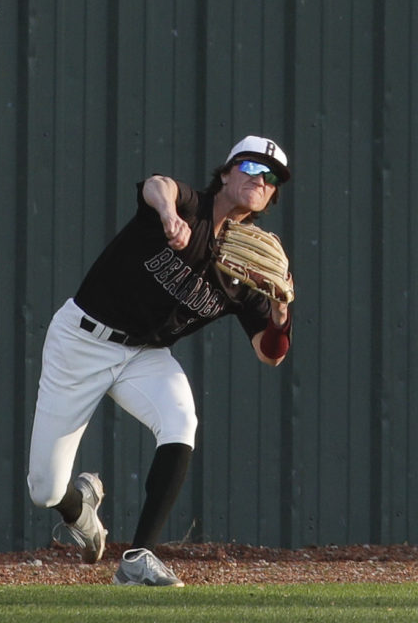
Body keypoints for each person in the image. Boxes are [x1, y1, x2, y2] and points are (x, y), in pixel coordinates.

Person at [26, 134, 295, 587]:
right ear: (226, 173)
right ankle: (80, 507)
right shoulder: (191, 206)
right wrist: (169, 215)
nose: (260, 180)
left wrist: (282, 316)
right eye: (250, 168)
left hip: (144, 354)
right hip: (82, 339)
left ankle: (137, 557)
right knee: (45, 490)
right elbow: (157, 184)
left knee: (181, 420)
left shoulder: (246, 269)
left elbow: (269, 355)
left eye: (270, 178)